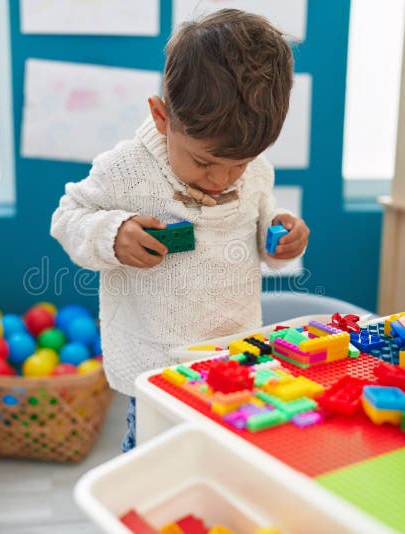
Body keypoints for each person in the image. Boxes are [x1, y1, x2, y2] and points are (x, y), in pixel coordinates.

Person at [51, 9, 309, 451]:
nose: (221, 180)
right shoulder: (127, 170)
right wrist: (114, 233)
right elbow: (67, 216)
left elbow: (259, 220)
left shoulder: (254, 171)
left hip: (236, 358)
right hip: (158, 366)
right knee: (156, 464)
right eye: (205, 162)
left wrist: (280, 236)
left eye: (239, 164)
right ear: (161, 117)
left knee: (225, 458)